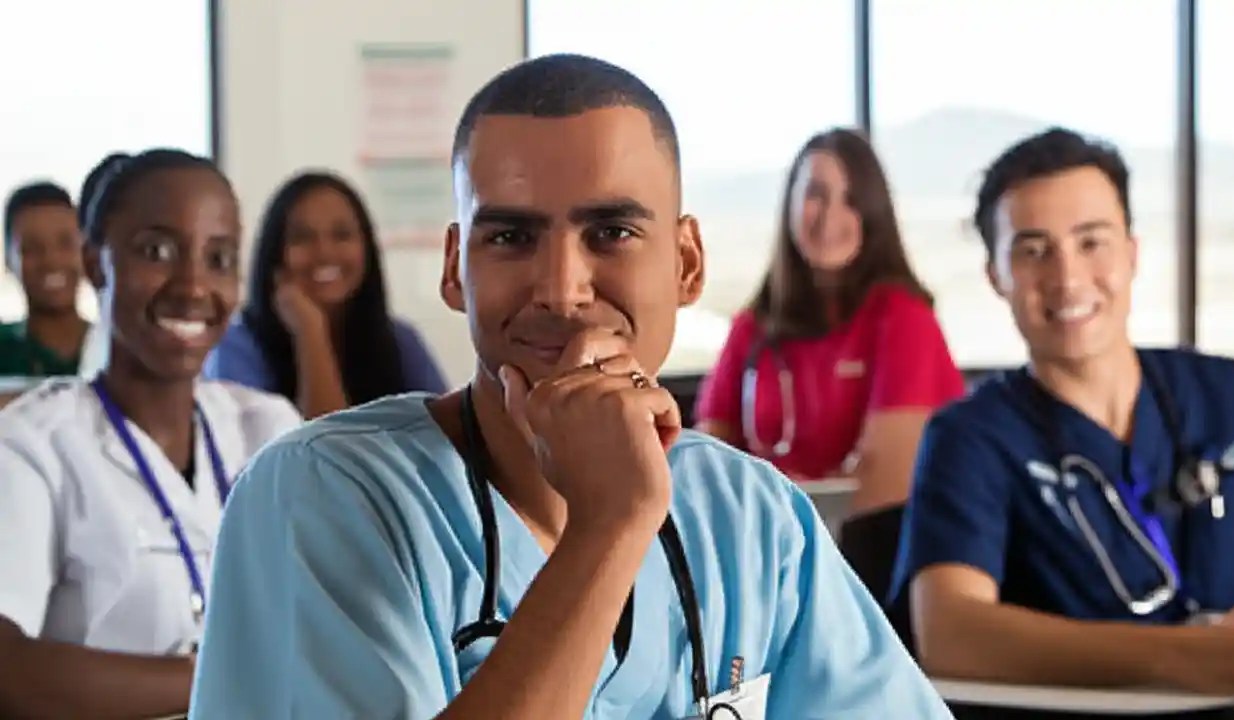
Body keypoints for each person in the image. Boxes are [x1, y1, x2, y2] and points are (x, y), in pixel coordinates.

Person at [189, 54, 952, 719]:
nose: (560, 289)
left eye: (612, 233)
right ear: (456, 269)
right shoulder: (322, 494)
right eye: (510, 237)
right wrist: (610, 526)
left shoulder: (752, 518)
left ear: (687, 264)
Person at [891, 127, 1234, 701]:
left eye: (1091, 242)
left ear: (1132, 253)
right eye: (1033, 251)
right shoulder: (972, 438)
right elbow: (950, 633)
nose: (1067, 279)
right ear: (996, 276)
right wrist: (1184, 656)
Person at [0, 149, 302, 719]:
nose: (193, 286)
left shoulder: (268, 429)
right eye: (157, 251)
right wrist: (227, 675)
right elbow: (8, 673)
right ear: (95, 263)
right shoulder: (33, 445)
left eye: (219, 258)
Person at [695, 128, 964, 517]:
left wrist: (771, 507)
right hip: (765, 536)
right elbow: (708, 460)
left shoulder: (904, 318)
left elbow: (887, 485)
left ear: (873, 214)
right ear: (790, 202)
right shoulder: (752, 327)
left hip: (861, 542)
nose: (830, 216)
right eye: (815, 194)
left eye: (851, 200)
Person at [203, 170, 449, 418]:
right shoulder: (238, 346)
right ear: (275, 254)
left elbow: (447, 438)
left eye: (342, 235)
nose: (324, 252)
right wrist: (310, 331)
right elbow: (325, 441)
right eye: (302, 238)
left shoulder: (401, 340)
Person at [0, 181, 90, 377]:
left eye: (66, 243)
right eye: (31, 248)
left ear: (86, 252)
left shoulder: (121, 349)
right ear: (8, 260)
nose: (51, 260)